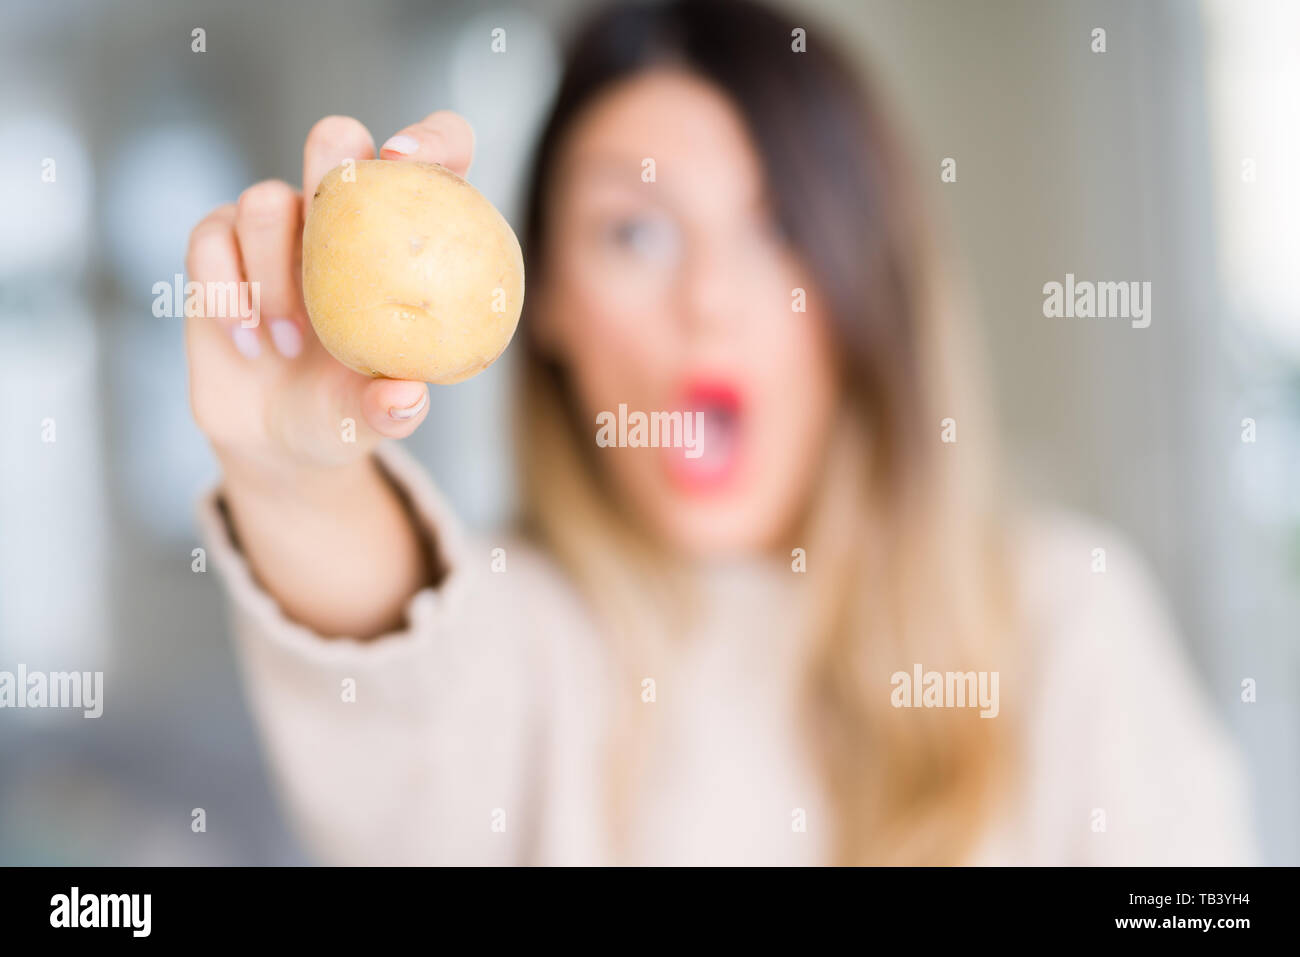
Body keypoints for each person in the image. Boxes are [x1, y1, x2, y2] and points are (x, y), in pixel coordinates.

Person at [186, 0, 1252, 865]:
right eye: (635, 232)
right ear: (545, 295)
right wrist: (295, 480)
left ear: (865, 289)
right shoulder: (518, 644)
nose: (710, 302)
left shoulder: (1064, 621)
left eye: (779, 227)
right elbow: (397, 698)